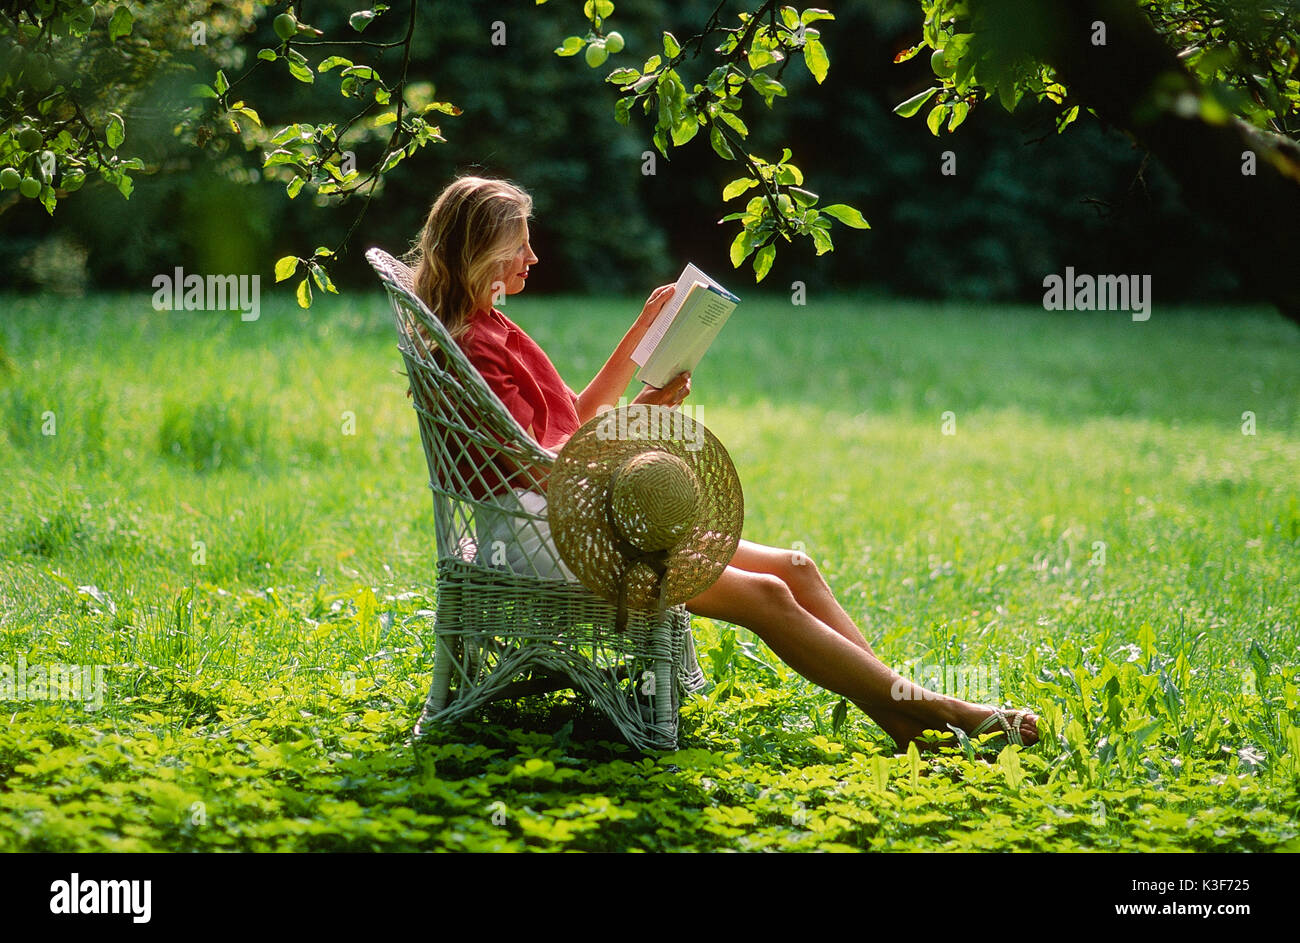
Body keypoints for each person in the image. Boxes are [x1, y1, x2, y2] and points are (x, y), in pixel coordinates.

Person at [407, 174, 1039, 753]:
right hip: (545, 533)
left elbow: (570, 413)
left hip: (572, 511)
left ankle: (898, 717)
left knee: (797, 567)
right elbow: (540, 468)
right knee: (765, 593)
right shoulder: (476, 346)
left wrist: (644, 331)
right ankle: (944, 711)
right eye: (521, 246)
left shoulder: (494, 327)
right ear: (483, 253)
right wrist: (643, 413)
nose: (533, 258)